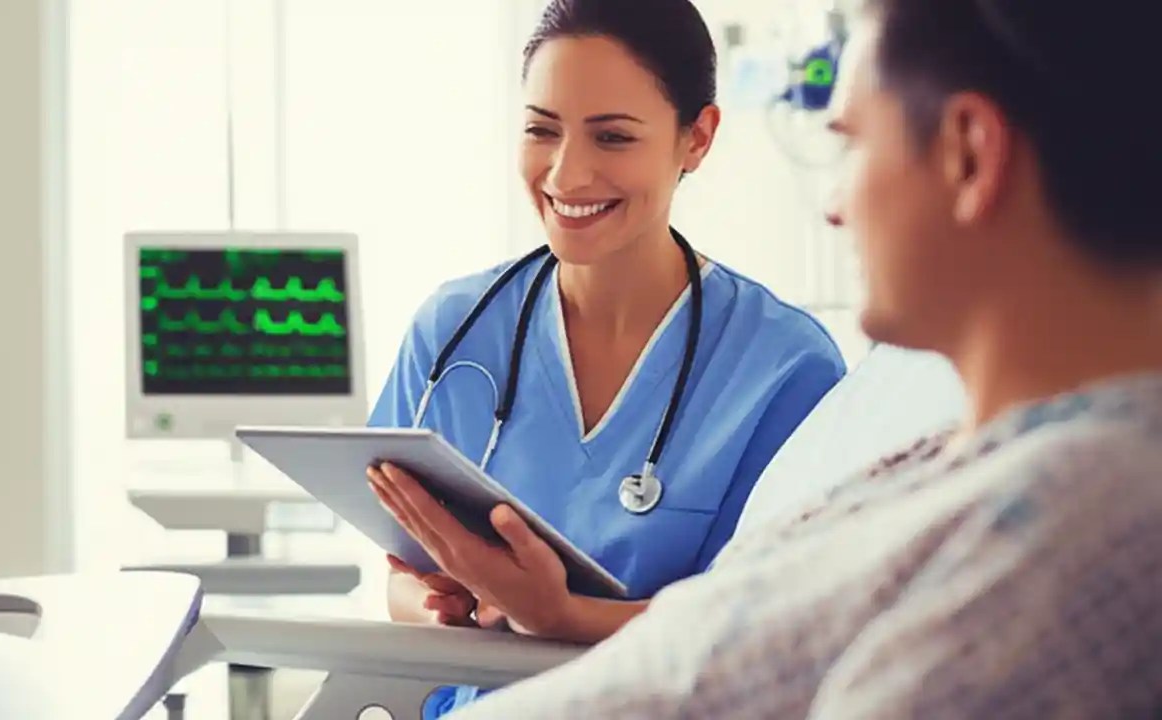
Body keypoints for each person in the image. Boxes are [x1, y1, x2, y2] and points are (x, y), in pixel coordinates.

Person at [432, 0, 1162, 716]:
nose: (834, 204)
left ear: (969, 154)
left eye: (852, 141)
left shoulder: (1058, 534)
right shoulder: (945, 467)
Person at [365, 0, 845, 715]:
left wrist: (556, 615)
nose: (567, 173)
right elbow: (403, 574)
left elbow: (777, 627)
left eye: (613, 137)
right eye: (541, 130)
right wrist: (443, 606)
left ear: (697, 139)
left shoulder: (784, 369)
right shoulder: (453, 330)